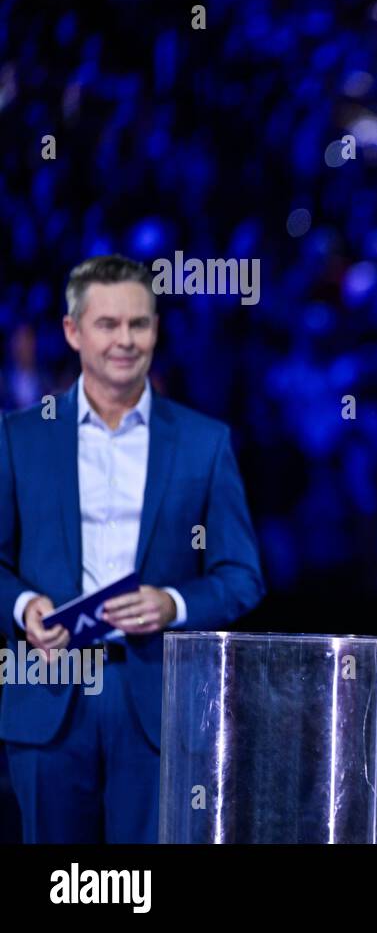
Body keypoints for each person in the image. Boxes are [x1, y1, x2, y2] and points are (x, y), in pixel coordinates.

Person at [0, 254, 265, 842]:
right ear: (72, 331)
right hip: (49, 696)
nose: (125, 340)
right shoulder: (18, 437)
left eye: (138, 324)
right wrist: (24, 609)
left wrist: (173, 602)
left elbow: (241, 574)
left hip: (157, 701)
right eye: (108, 324)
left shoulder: (204, 442)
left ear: (156, 329)